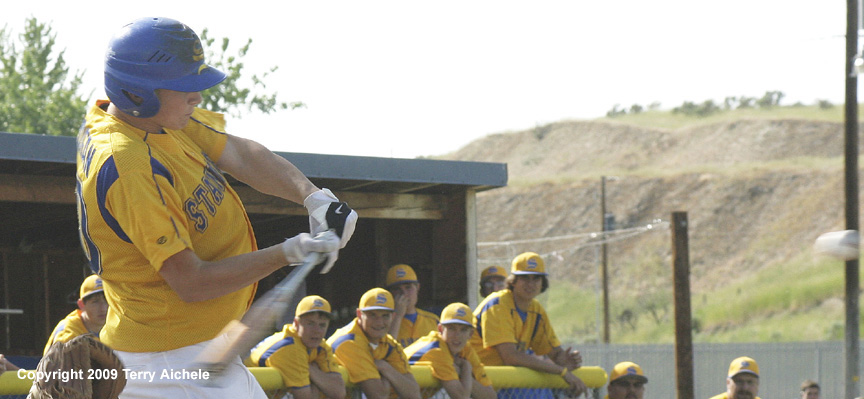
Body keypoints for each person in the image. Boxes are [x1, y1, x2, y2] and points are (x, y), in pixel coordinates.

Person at [76, 16, 357, 398]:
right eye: (184, 87)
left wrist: (314, 197)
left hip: (200, 349)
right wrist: (287, 252)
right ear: (138, 93)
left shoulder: (158, 119)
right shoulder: (130, 166)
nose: (197, 97)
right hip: (167, 364)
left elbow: (241, 154)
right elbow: (192, 283)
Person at [470, 252, 587, 396]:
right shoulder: (498, 303)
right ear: (513, 281)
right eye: (525, 278)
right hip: (478, 381)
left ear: (542, 283)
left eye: (536, 279)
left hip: (506, 382)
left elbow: (553, 353)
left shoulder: (536, 309)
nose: (530, 284)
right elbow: (510, 356)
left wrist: (564, 360)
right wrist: (561, 371)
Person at [327, 288, 421, 399]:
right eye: (372, 315)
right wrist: (389, 374)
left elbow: (414, 394)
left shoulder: (389, 343)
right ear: (359, 314)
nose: (379, 322)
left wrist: (385, 368)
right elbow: (379, 394)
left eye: (385, 315)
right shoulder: (348, 341)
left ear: (393, 316)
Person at [246, 295, 345, 399]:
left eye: (322, 325)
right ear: (296, 323)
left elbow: (339, 392)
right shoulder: (290, 347)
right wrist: (314, 373)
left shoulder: (320, 346)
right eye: (310, 323)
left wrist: (311, 371)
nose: (317, 330)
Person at [404, 302, 496, 399]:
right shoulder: (436, 348)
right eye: (452, 328)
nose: (457, 335)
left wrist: (462, 373)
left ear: (471, 334)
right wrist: (466, 368)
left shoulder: (466, 349)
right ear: (440, 329)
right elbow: (461, 396)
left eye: (463, 330)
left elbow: (491, 396)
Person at [43, 274, 109, 354]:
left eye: (107, 300)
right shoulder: (68, 333)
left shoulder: (116, 327)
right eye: (95, 302)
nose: (103, 308)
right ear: (81, 304)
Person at [386, 264, 439, 348]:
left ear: (417, 287)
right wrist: (398, 316)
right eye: (397, 289)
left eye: (408, 287)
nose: (404, 293)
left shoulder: (433, 321)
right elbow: (386, 351)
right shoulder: (384, 321)